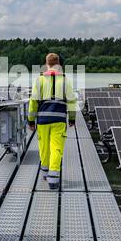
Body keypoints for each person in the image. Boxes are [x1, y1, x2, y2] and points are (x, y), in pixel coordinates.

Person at [27, 52, 77, 190]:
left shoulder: (40, 79)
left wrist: (31, 120)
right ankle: (53, 179)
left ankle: (45, 173)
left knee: (44, 147)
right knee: (56, 148)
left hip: (43, 119)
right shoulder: (66, 80)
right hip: (59, 119)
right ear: (59, 64)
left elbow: (33, 102)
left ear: (47, 64)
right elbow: (72, 100)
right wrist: (72, 118)